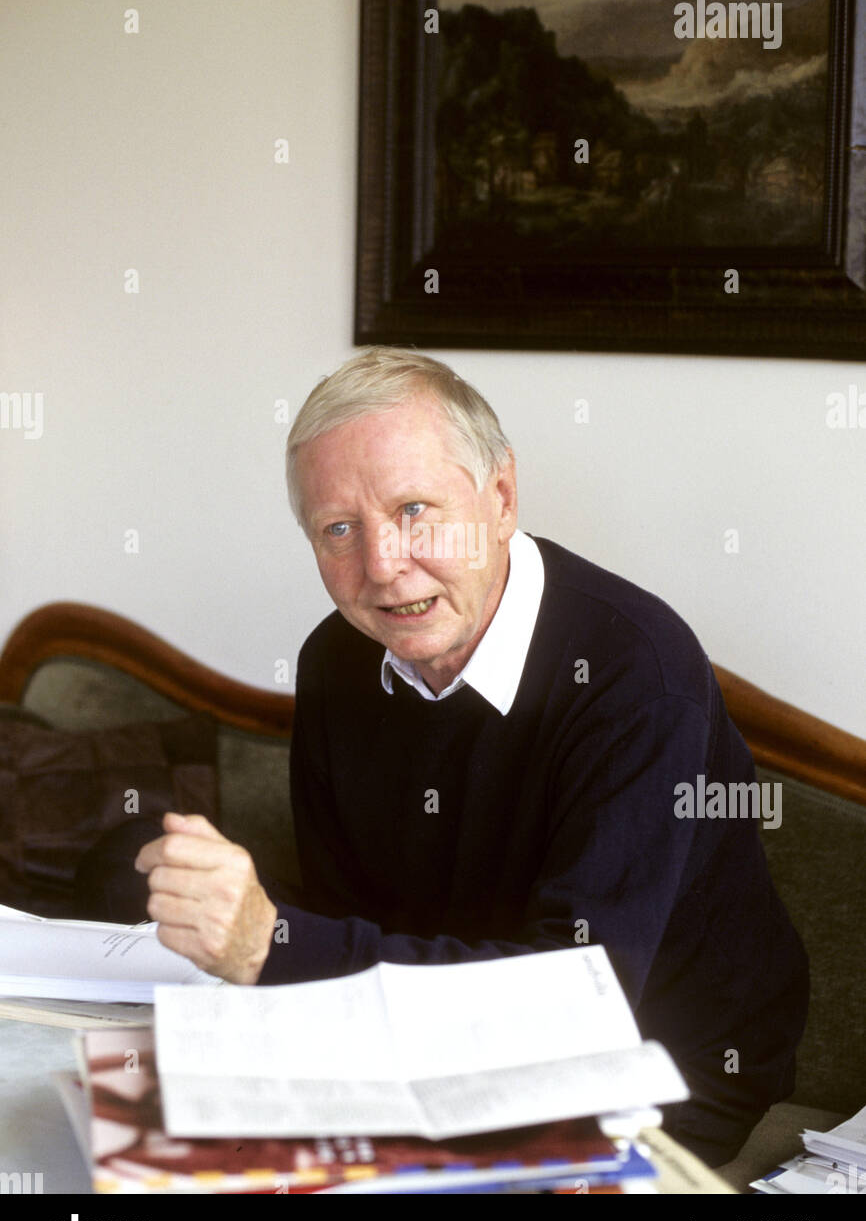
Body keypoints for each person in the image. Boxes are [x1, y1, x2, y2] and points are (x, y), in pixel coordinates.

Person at [78, 347, 809, 1168]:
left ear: (500, 498)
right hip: (426, 1048)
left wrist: (269, 943)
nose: (384, 568)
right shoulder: (337, 661)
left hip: (655, 1063)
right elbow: (354, 915)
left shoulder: (636, 672)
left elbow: (575, 1005)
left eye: (415, 509)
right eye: (339, 530)